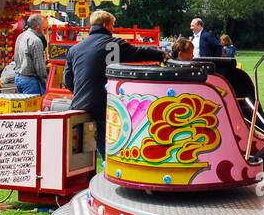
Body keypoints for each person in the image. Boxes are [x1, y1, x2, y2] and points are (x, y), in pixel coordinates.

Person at [64, 10, 163, 158]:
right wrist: (162, 55)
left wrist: (82, 92)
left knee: (82, 155)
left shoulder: (75, 49)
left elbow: (67, 81)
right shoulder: (114, 44)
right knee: (109, 150)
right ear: (105, 25)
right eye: (112, 25)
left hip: (80, 105)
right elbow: (138, 53)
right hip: (106, 104)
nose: (113, 29)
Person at [12, 13, 48, 96]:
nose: (44, 27)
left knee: (24, 108)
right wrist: (45, 79)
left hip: (19, 77)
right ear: (38, 26)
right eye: (43, 24)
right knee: (33, 107)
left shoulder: (20, 36)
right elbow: (39, 66)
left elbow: (16, 57)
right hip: (30, 80)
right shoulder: (36, 41)